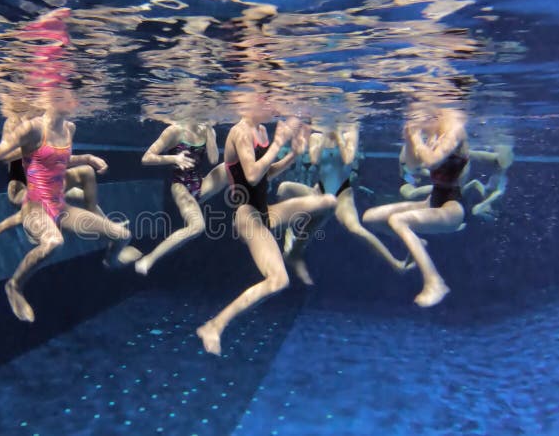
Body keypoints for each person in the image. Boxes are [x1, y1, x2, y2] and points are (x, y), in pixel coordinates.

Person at [0, 89, 140, 322]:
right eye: (70, 95)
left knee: (122, 235)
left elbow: (59, 160)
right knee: (54, 242)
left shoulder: (70, 129)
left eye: (76, 95)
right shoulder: (33, 128)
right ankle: (14, 286)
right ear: (51, 97)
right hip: (35, 206)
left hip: (60, 206)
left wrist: (87, 158)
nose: (76, 101)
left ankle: (110, 260)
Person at [196, 99, 336, 356]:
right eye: (266, 99)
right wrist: (279, 144)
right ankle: (214, 325)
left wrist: (293, 154)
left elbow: (265, 174)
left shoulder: (260, 131)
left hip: (264, 211)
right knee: (278, 280)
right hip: (247, 216)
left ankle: (294, 251)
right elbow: (250, 176)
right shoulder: (240, 131)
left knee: (328, 201)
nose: (273, 107)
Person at [277, 120, 412, 285]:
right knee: (284, 189)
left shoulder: (351, 131)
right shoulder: (316, 136)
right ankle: (289, 235)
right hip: (319, 191)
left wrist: (339, 136)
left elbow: (348, 159)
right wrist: (326, 134)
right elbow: (314, 160)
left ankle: (396, 263)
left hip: (342, 194)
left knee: (355, 229)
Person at [361, 106, 469, 307]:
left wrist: (417, 139)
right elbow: (412, 165)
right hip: (432, 201)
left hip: (454, 206)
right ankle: (417, 242)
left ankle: (435, 281)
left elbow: (431, 162)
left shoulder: (454, 128)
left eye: (419, 118)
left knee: (398, 220)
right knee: (370, 217)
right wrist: (410, 138)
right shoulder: (433, 135)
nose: (418, 123)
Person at [134, 120, 228, 275]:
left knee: (228, 168)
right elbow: (147, 158)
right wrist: (174, 159)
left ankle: (253, 198)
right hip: (180, 186)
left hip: (200, 184)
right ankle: (149, 259)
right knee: (198, 226)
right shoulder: (175, 130)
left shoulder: (207, 130)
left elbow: (213, 160)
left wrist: (210, 132)